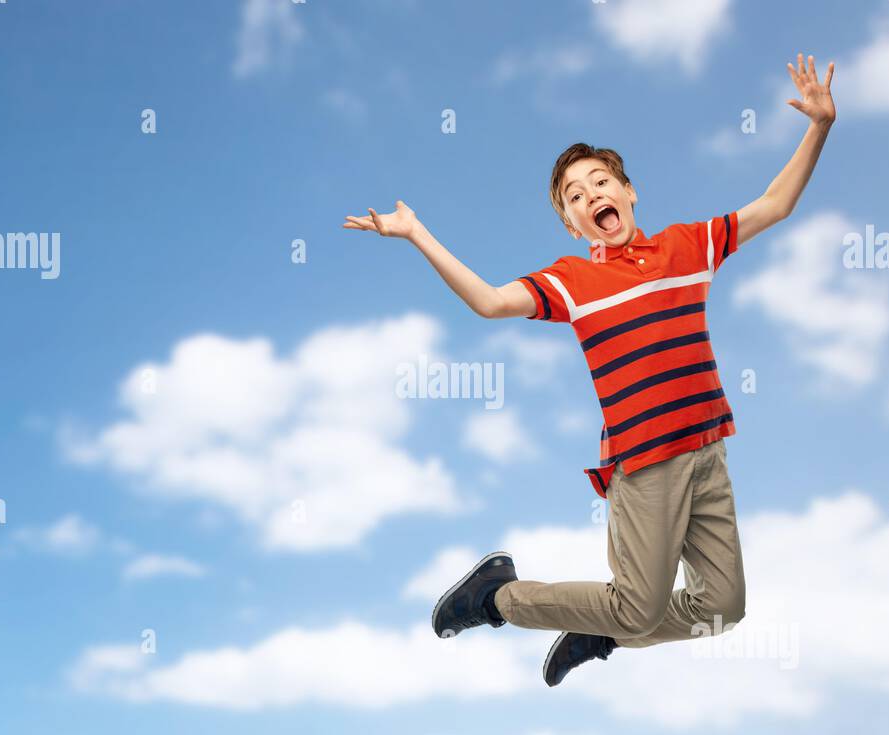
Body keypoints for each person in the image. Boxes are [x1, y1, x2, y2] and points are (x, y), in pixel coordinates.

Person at [345, 54, 836, 687]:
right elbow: (491, 302)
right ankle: (497, 597)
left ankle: (601, 629)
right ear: (573, 225)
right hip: (647, 460)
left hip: (708, 452)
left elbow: (776, 204)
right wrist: (417, 235)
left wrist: (818, 125)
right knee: (639, 605)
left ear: (629, 192)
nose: (591, 195)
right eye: (575, 196)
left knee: (722, 608)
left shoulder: (689, 246)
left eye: (600, 181)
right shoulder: (574, 281)